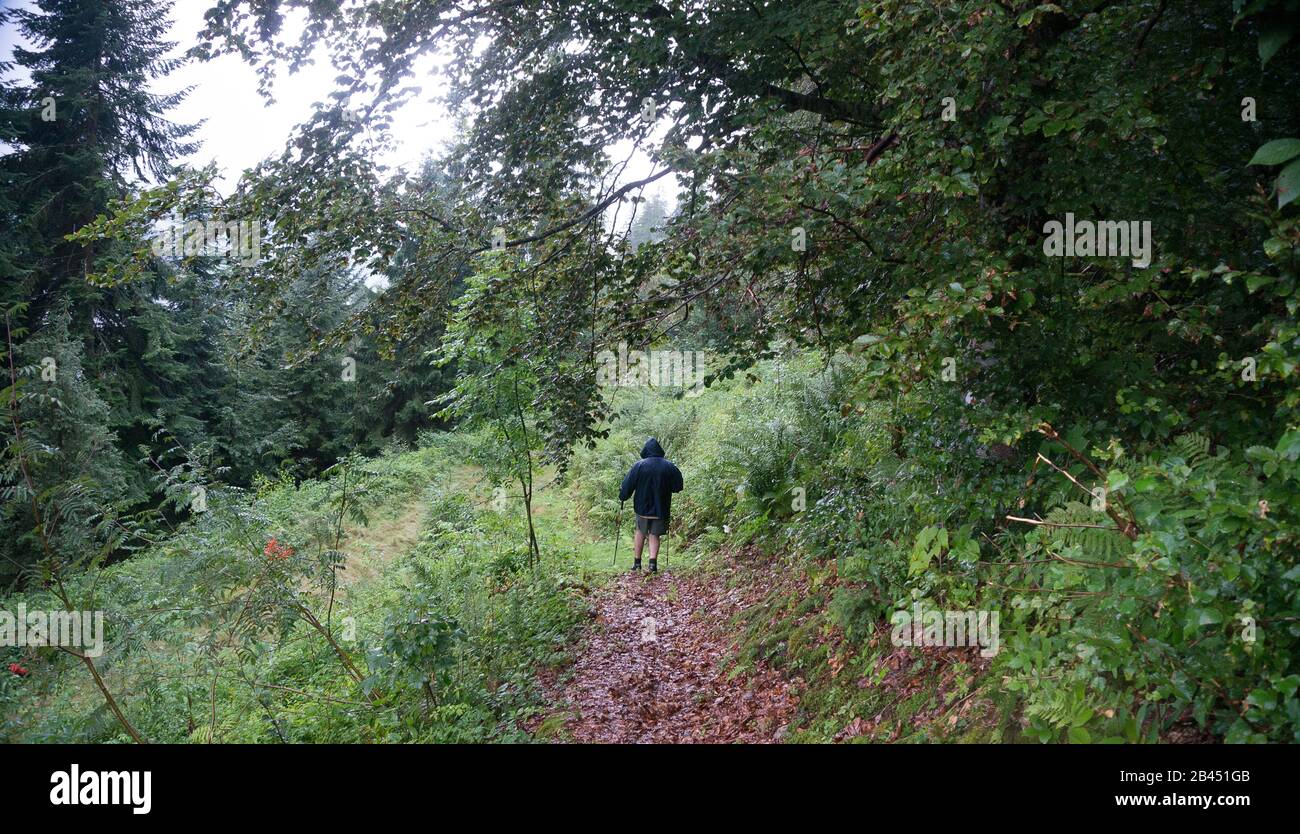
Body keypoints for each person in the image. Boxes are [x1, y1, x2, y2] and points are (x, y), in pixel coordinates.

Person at [618, 437, 683, 573]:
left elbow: (628, 484)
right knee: (654, 535)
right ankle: (652, 564)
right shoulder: (669, 466)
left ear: (646, 450)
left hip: (642, 508)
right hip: (661, 508)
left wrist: (623, 496)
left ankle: (637, 563)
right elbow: (678, 486)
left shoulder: (639, 465)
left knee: (640, 532)